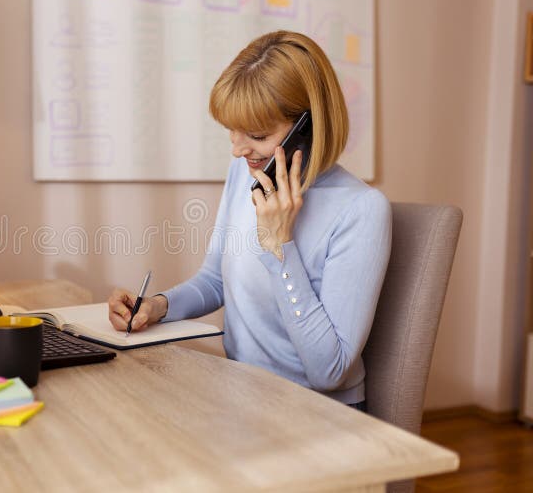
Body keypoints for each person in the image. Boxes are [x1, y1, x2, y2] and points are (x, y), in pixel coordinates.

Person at [107, 31, 391, 410]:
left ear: (309, 127)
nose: (238, 149)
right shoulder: (247, 173)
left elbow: (330, 370)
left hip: (316, 412)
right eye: (232, 131)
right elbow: (215, 280)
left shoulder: (361, 210)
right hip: (241, 394)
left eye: (256, 135)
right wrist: (156, 306)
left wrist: (280, 247)